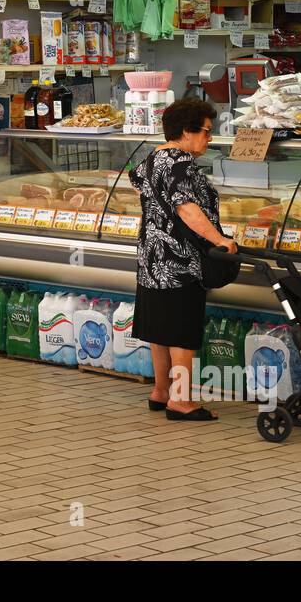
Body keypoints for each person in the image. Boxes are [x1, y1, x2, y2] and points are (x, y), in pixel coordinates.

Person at [128, 98, 236, 422]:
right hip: (179, 261)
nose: (210, 138)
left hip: (151, 257)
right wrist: (220, 240)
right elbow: (186, 209)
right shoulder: (181, 165)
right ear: (186, 133)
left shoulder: (153, 159)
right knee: (180, 331)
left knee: (159, 329)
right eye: (205, 131)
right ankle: (181, 400)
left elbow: (137, 183)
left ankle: (161, 391)